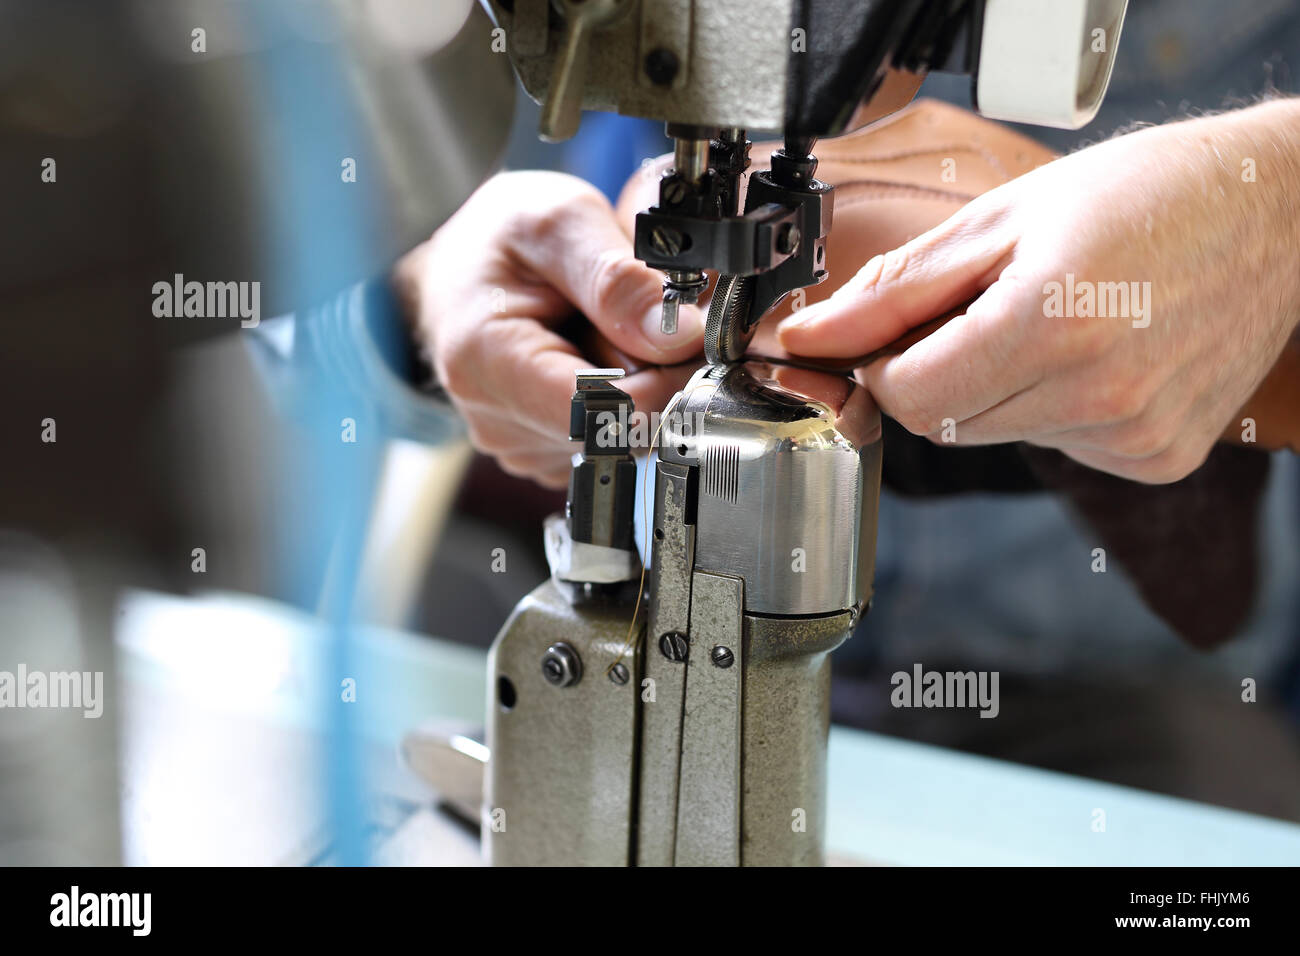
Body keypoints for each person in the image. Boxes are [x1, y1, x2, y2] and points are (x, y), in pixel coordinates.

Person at [275, 0, 1300, 818]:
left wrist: (1273, 202)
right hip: (576, 622)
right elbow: (233, 291)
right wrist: (409, 301)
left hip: (1101, 691)